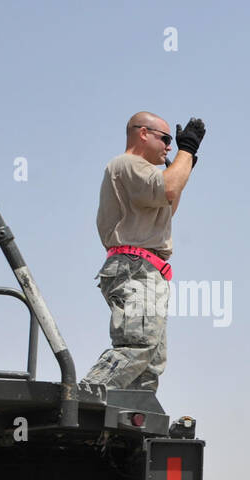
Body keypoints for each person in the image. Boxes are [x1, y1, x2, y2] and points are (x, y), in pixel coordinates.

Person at [79, 111, 206, 396]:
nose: (169, 146)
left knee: (149, 364)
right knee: (137, 346)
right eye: (166, 138)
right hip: (134, 266)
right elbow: (168, 187)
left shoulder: (142, 177)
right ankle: (84, 400)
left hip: (147, 269)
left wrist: (184, 168)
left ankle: (125, 420)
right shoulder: (129, 164)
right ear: (142, 133)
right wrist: (188, 151)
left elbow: (167, 204)